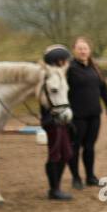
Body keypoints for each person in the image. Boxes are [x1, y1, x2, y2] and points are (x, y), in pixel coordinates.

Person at [66, 36, 107, 189]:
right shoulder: (69, 69)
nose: (83, 51)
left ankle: (90, 176)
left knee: (90, 146)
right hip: (76, 116)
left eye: (85, 48)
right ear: (74, 50)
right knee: (75, 146)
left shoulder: (95, 68)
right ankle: (76, 178)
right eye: (79, 48)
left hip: (94, 115)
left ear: (89, 50)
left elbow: (104, 89)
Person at [41, 45, 75, 201]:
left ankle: (57, 187)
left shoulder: (60, 74)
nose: (65, 62)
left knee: (66, 153)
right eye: (62, 60)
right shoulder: (49, 76)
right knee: (55, 154)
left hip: (62, 118)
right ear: (56, 61)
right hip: (52, 119)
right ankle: (53, 189)